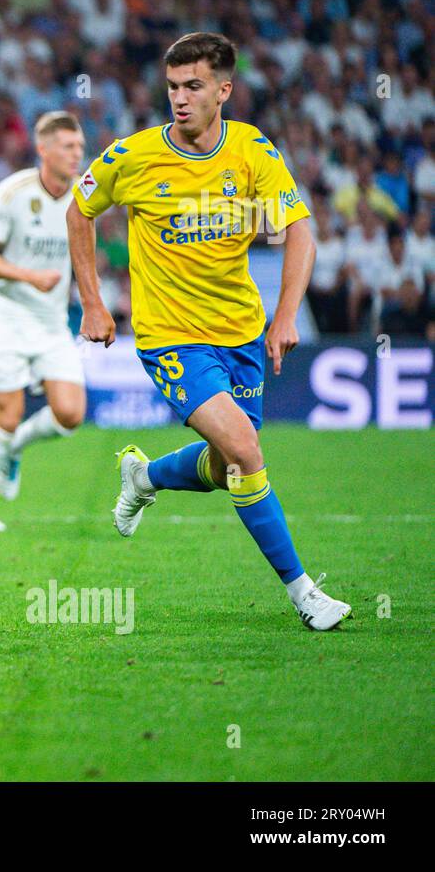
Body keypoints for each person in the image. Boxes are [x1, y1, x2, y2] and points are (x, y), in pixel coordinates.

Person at [68, 32, 351, 631]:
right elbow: (79, 209)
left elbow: (298, 228)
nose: (179, 98)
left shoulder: (251, 151)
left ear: (224, 90)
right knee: (248, 453)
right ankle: (305, 594)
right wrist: (94, 303)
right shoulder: (132, 157)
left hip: (242, 333)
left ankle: (143, 476)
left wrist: (286, 315)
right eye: (172, 87)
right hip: (171, 337)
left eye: (193, 86)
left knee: (229, 466)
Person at [0, 111, 87, 532]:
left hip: (53, 321)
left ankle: (13, 450)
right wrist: (29, 276)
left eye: (79, 146)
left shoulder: (82, 197)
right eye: (68, 147)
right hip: (7, 316)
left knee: (70, 414)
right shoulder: (12, 191)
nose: (77, 154)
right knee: (6, 414)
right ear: (43, 149)